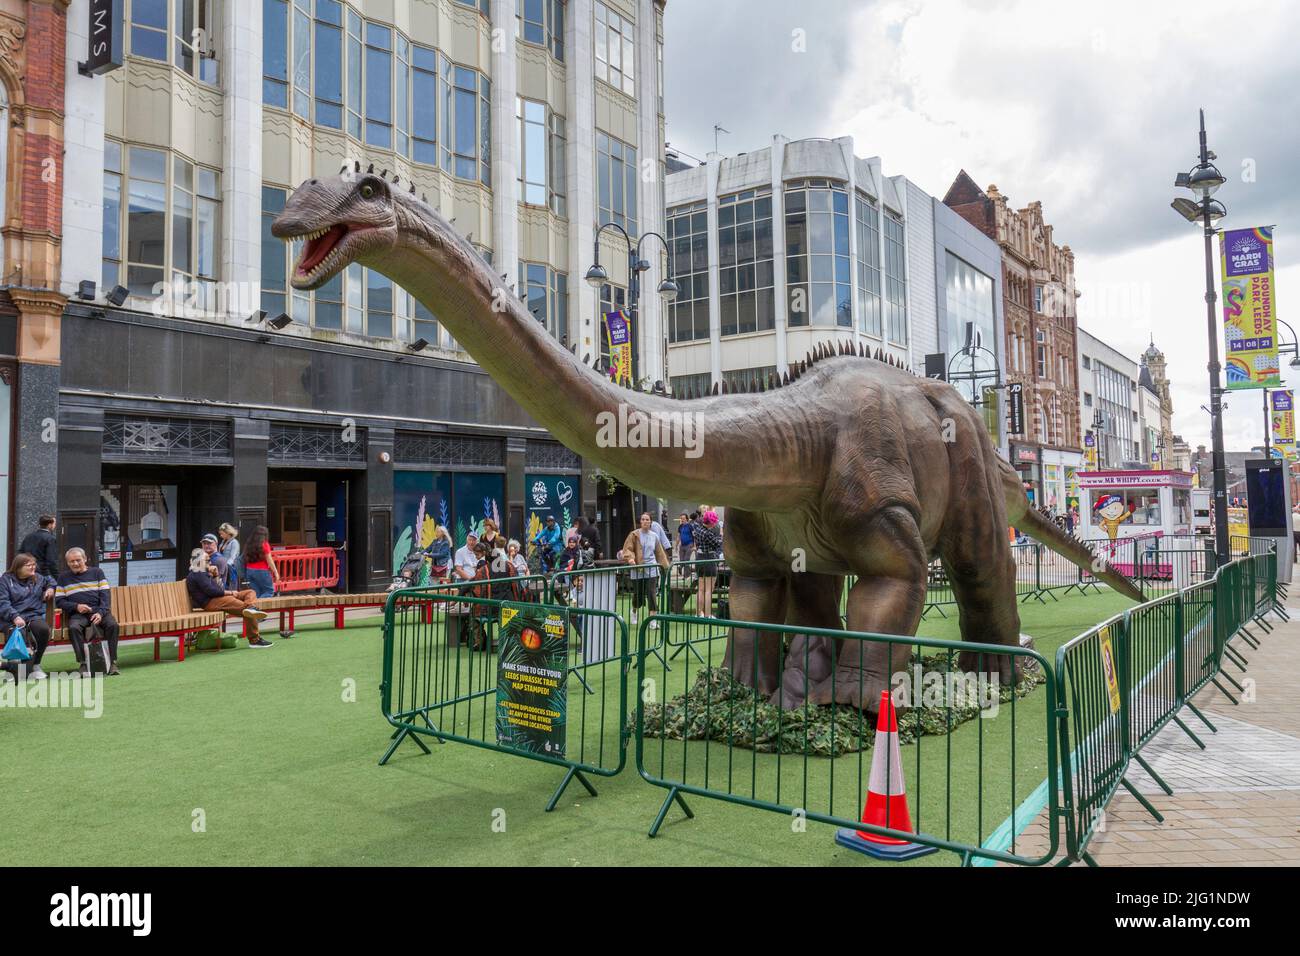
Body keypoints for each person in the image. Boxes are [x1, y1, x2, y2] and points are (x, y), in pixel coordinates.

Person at [185, 549, 272, 647]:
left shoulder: (203, 572)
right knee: (244, 608)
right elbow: (212, 592)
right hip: (210, 602)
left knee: (250, 593)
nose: (210, 562)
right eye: (207, 560)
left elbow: (219, 589)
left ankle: (251, 608)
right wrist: (230, 592)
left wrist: (215, 575)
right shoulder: (198, 573)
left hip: (217, 598)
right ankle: (255, 640)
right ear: (199, 561)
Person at [55, 547, 121, 677]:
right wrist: (76, 606)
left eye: (78, 560)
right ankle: (83, 664)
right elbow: (59, 601)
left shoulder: (97, 572)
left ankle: (113, 662)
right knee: (74, 628)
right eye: (71, 561)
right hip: (78, 614)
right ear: (67, 562)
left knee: (113, 625)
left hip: (99, 611)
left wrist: (101, 613)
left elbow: (105, 596)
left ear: (85, 559)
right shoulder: (63, 578)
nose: (75, 564)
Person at [0, 552, 55, 681]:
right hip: (11, 616)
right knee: (16, 631)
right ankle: (14, 670)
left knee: (43, 629)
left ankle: (35, 665)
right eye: (28, 565)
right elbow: (3, 602)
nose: (33, 568)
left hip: (32, 615)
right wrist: (14, 616)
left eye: (33, 565)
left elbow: (50, 580)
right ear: (18, 567)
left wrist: (51, 588)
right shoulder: (5, 580)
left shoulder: (38, 578)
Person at [622, 512, 670, 629]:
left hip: (652, 568)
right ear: (640, 521)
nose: (645, 521)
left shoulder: (654, 536)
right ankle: (634, 610)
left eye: (647, 519)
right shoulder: (634, 535)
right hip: (638, 568)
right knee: (638, 596)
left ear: (650, 522)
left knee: (652, 594)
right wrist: (631, 559)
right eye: (643, 519)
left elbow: (660, 553)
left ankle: (652, 621)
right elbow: (627, 549)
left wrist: (665, 566)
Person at [693, 510, 723, 618]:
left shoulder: (698, 530)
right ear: (711, 522)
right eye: (714, 522)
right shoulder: (708, 533)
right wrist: (720, 537)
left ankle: (698, 613)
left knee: (700, 589)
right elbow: (717, 544)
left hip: (699, 559)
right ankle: (708, 614)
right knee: (709, 590)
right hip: (709, 559)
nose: (715, 524)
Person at [241, 525, 280, 598]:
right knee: (269, 591)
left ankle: (254, 608)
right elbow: (269, 560)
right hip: (262, 570)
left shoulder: (249, 544)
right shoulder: (264, 544)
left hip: (249, 570)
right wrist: (275, 572)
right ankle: (258, 607)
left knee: (256, 593)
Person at [217, 522, 241, 588]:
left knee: (231, 586)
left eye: (222, 533)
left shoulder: (234, 542)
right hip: (223, 568)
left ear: (227, 532)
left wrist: (225, 566)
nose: (220, 536)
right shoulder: (223, 541)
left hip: (231, 568)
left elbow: (232, 557)